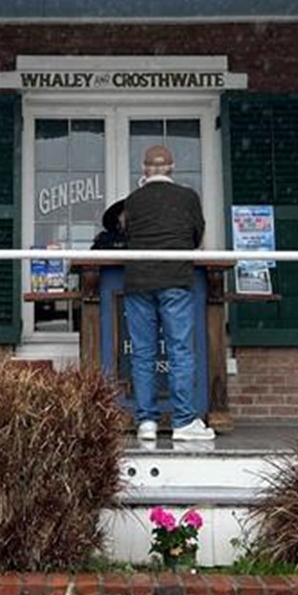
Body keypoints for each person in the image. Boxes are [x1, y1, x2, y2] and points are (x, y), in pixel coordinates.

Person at [118, 145, 212, 441]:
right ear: (172, 168)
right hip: (175, 278)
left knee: (143, 353)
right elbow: (196, 236)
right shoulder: (188, 197)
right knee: (180, 350)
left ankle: (147, 421)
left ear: (144, 170)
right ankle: (184, 421)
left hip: (138, 279)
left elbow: (127, 235)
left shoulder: (132, 201)